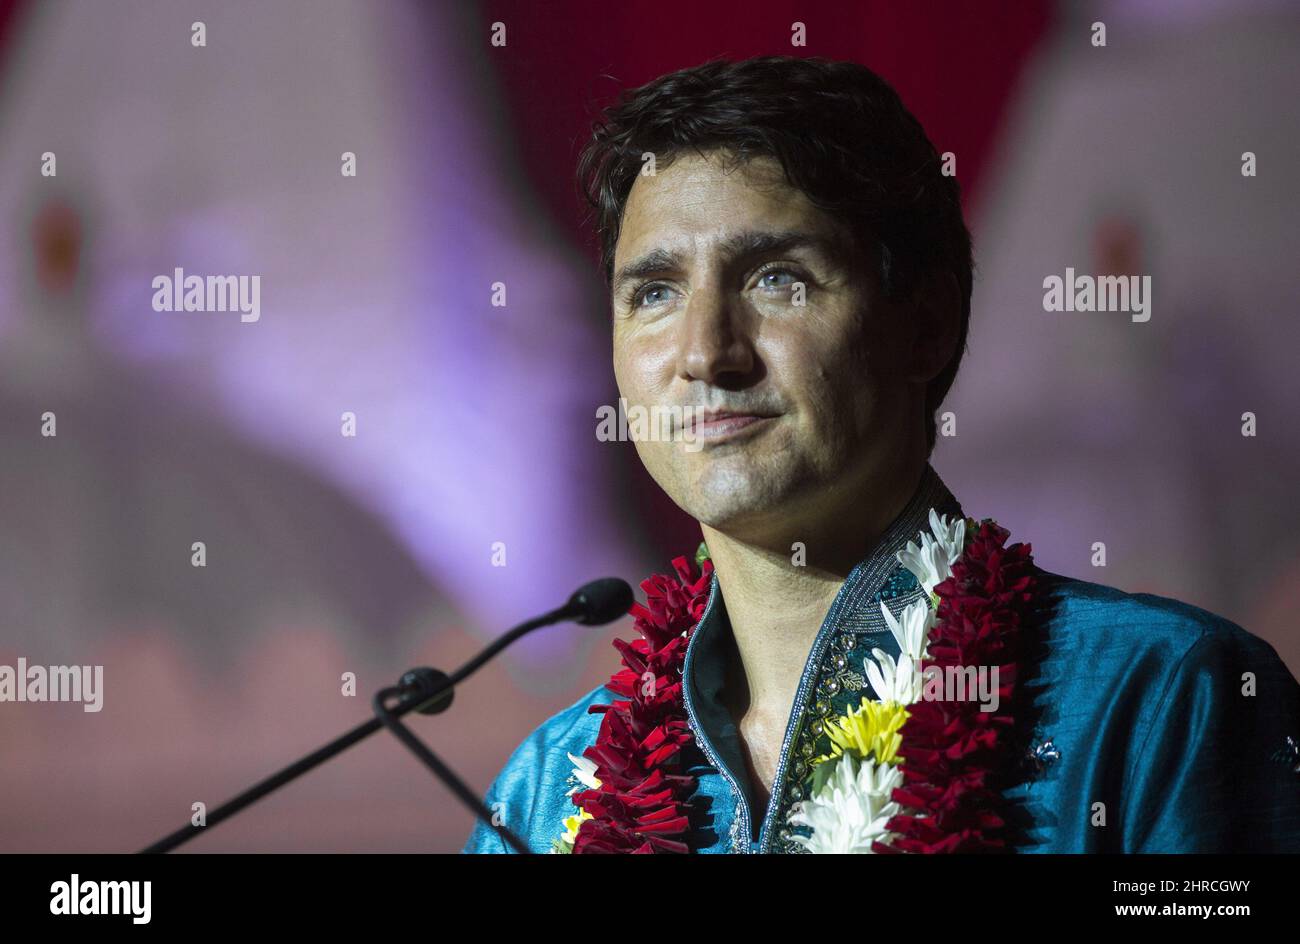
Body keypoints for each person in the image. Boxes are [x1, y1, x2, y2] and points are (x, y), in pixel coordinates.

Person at [462, 56, 1300, 854]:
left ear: (926, 322)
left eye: (777, 278)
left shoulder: (1157, 701)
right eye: (654, 293)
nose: (706, 353)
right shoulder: (543, 798)